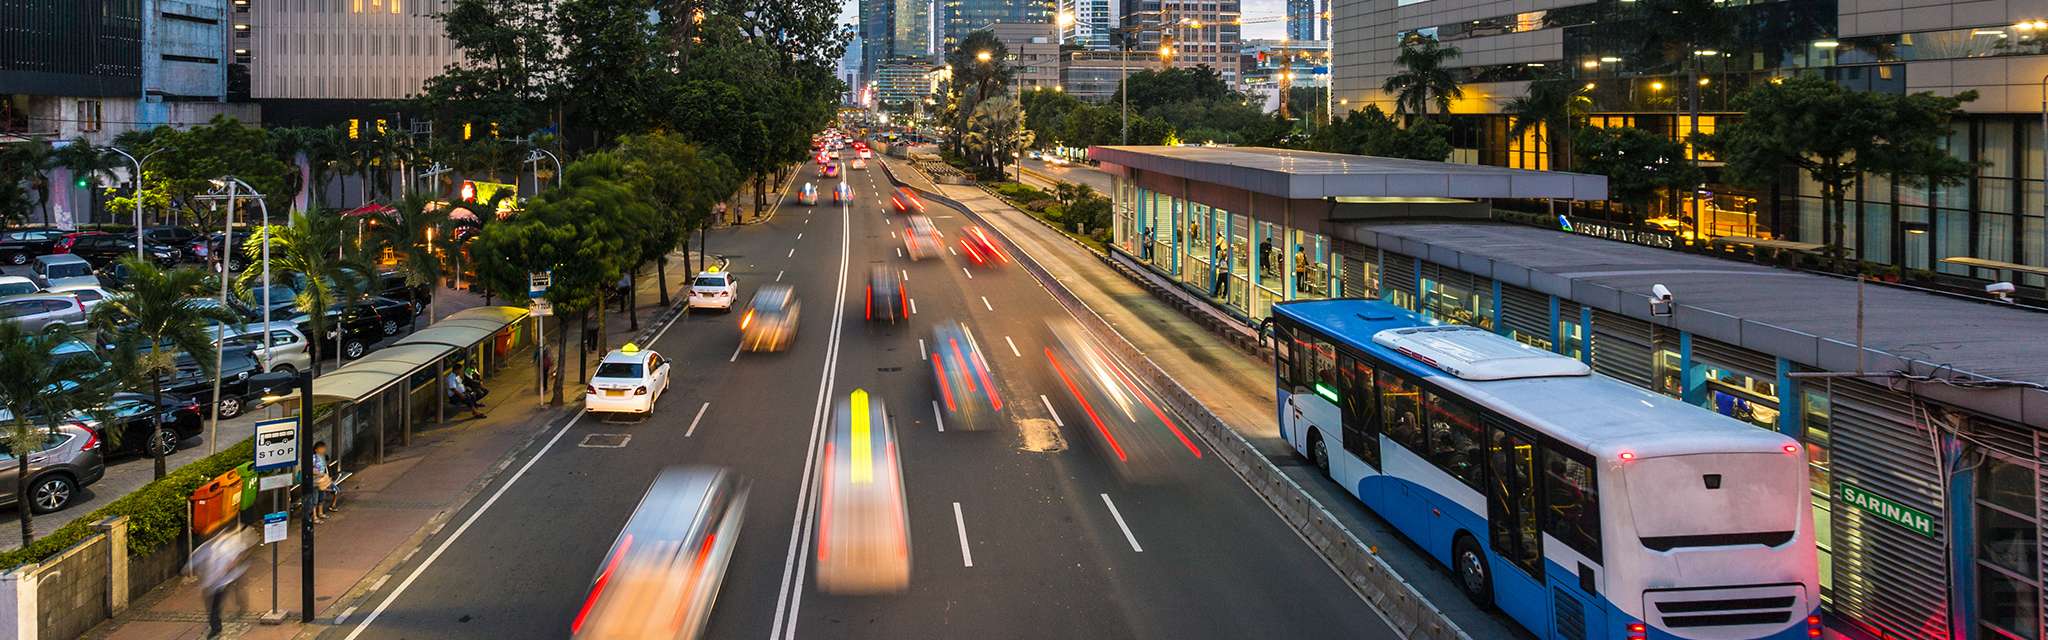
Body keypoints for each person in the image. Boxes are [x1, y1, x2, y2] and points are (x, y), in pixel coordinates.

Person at [189, 527, 254, 638]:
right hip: (215, 583)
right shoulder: (205, 548)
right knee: (213, 604)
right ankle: (216, 625)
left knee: (216, 604)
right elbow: (194, 561)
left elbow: (242, 552)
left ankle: (217, 626)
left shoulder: (229, 542)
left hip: (225, 580)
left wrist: (234, 563)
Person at [310, 442, 332, 523]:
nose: (323, 450)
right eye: (321, 448)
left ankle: (320, 513)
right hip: (315, 481)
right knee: (315, 499)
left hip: (322, 480)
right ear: (316, 450)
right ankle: (314, 516)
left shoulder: (323, 457)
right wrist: (319, 473)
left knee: (321, 497)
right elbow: (310, 469)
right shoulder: (313, 458)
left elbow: (325, 467)